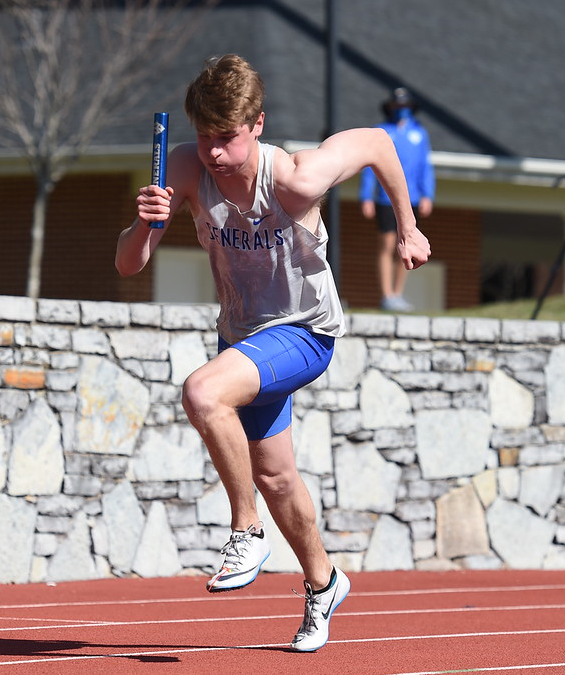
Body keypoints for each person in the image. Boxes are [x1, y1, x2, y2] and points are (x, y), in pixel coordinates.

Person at [114, 55, 431, 652]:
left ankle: (246, 529)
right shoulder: (182, 167)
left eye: (227, 137)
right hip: (244, 335)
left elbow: (378, 142)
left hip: (304, 331)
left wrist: (407, 225)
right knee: (277, 476)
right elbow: (130, 265)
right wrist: (143, 225)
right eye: (204, 136)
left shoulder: (296, 177)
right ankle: (324, 582)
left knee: (203, 392)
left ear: (257, 124)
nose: (213, 152)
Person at [359, 87, 436, 312]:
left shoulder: (420, 134)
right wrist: (366, 196)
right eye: (397, 105)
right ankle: (387, 295)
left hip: (412, 198)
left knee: (408, 243)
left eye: (405, 106)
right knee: (387, 244)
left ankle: (398, 293)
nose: (401, 109)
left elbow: (425, 166)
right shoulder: (382, 131)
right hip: (385, 199)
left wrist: (428, 194)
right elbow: (369, 166)